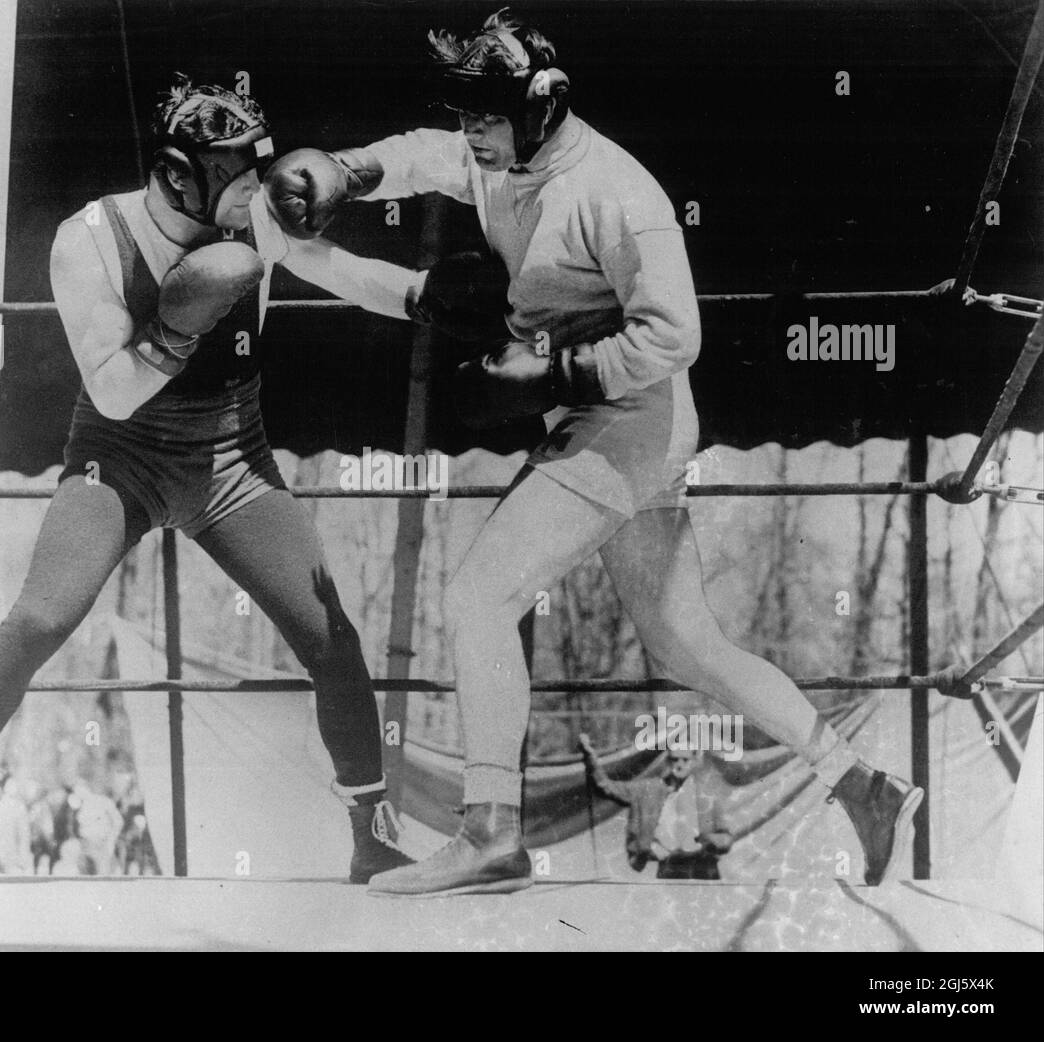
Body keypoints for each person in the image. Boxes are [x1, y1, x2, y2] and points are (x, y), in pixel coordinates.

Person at [264, 7, 923, 896]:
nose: (472, 137)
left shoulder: (619, 193)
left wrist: (552, 374)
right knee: (686, 639)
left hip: (628, 421)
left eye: (486, 119)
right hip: (615, 425)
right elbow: (425, 153)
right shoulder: (495, 148)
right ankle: (860, 782)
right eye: (466, 117)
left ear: (540, 106)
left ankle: (491, 830)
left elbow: (675, 334)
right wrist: (348, 170)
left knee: (480, 595)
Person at [0, 73, 424, 886]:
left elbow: (343, 270)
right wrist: (175, 327)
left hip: (232, 459)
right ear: (181, 175)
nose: (261, 196)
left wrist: (428, 297)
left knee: (331, 635)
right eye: (242, 178)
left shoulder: (259, 218)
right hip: (121, 456)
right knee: (41, 616)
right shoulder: (90, 238)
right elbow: (111, 388)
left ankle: (370, 830)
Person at [577, 735, 731, 880]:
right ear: (667, 762)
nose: (679, 764)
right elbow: (606, 787)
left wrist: (708, 841)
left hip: (704, 872)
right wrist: (590, 759)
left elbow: (726, 839)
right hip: (666, 871)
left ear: (694, 762)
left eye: (685, 760)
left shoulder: (708, 796)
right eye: (674, 759)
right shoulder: (647, 790)